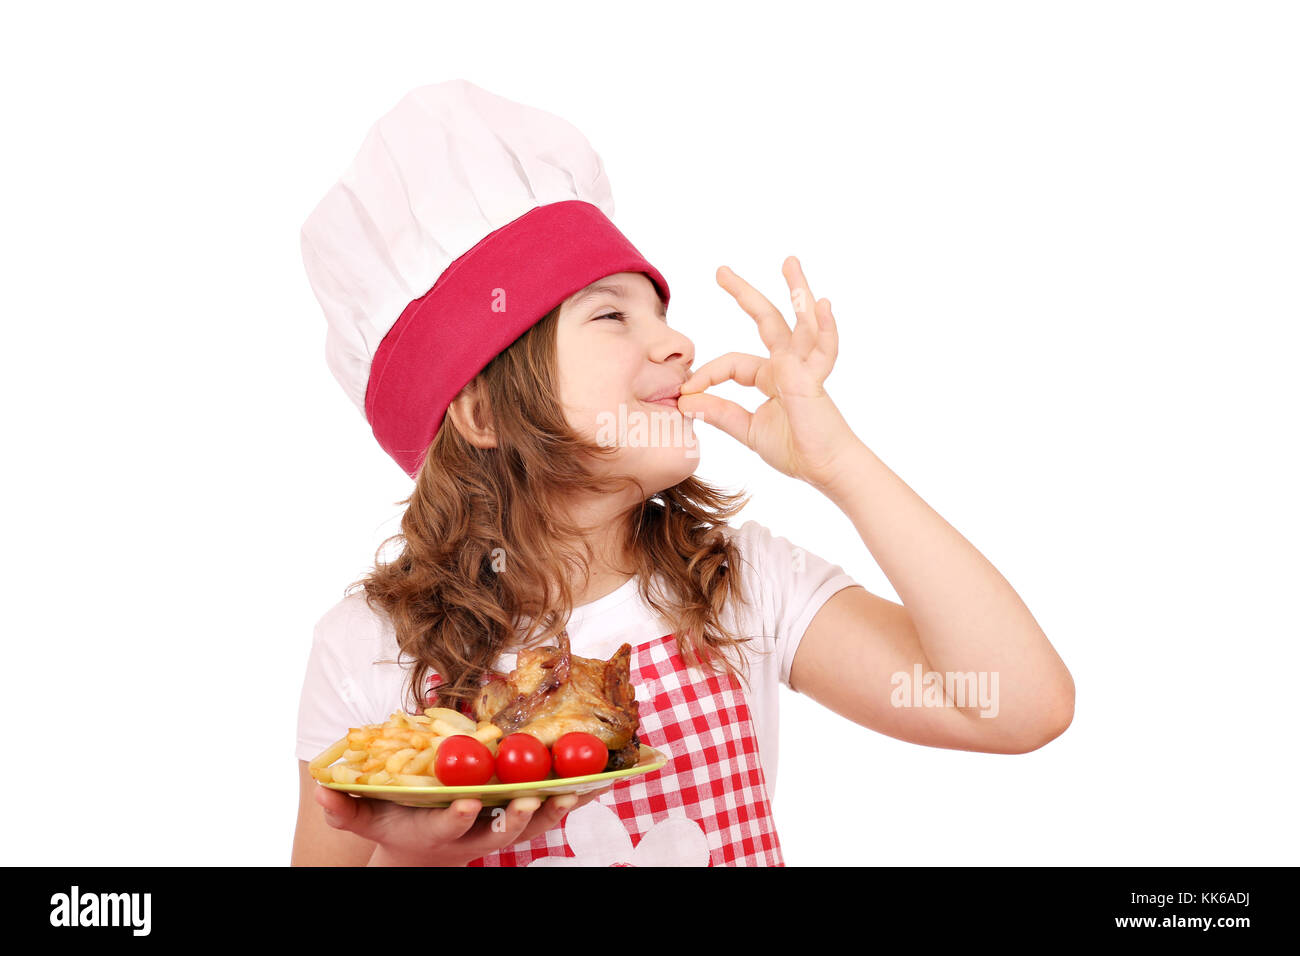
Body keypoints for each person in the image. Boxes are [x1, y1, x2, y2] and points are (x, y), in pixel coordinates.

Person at [292, 81, 1075, 867]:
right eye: (612, 316)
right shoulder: (368, 649)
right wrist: (418, 855)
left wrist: (841, 465)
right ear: (482, 414)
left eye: (661, 314)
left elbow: (1015, 708)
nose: (679, 345)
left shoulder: (741, 584)